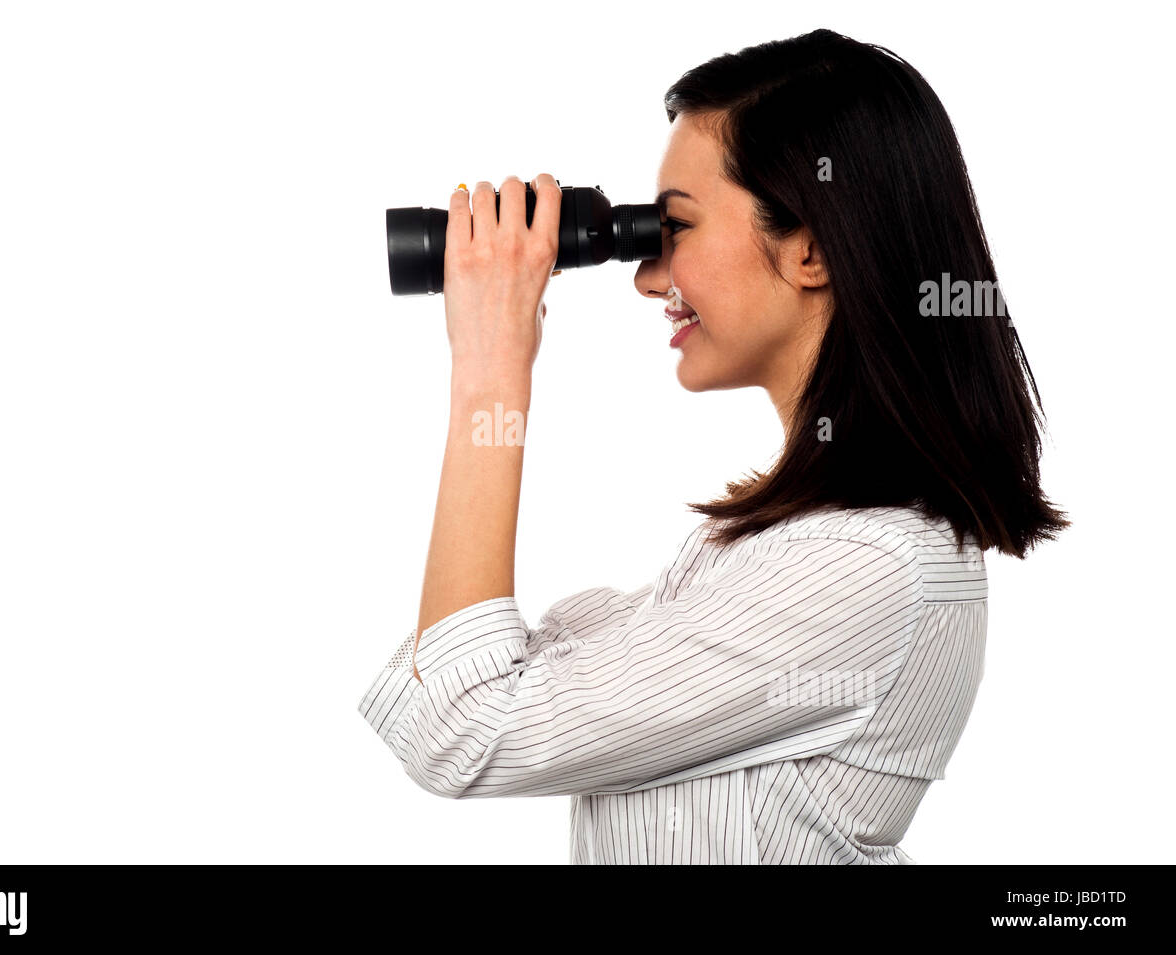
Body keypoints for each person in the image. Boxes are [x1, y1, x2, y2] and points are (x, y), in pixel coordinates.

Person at [357, 28, 1069, 864]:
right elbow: (446, 692)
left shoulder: (867, 564)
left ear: (810, 247)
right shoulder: (777, 547)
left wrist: (490, 365)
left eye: (675, 229)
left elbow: (460, 723)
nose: (650, 277)